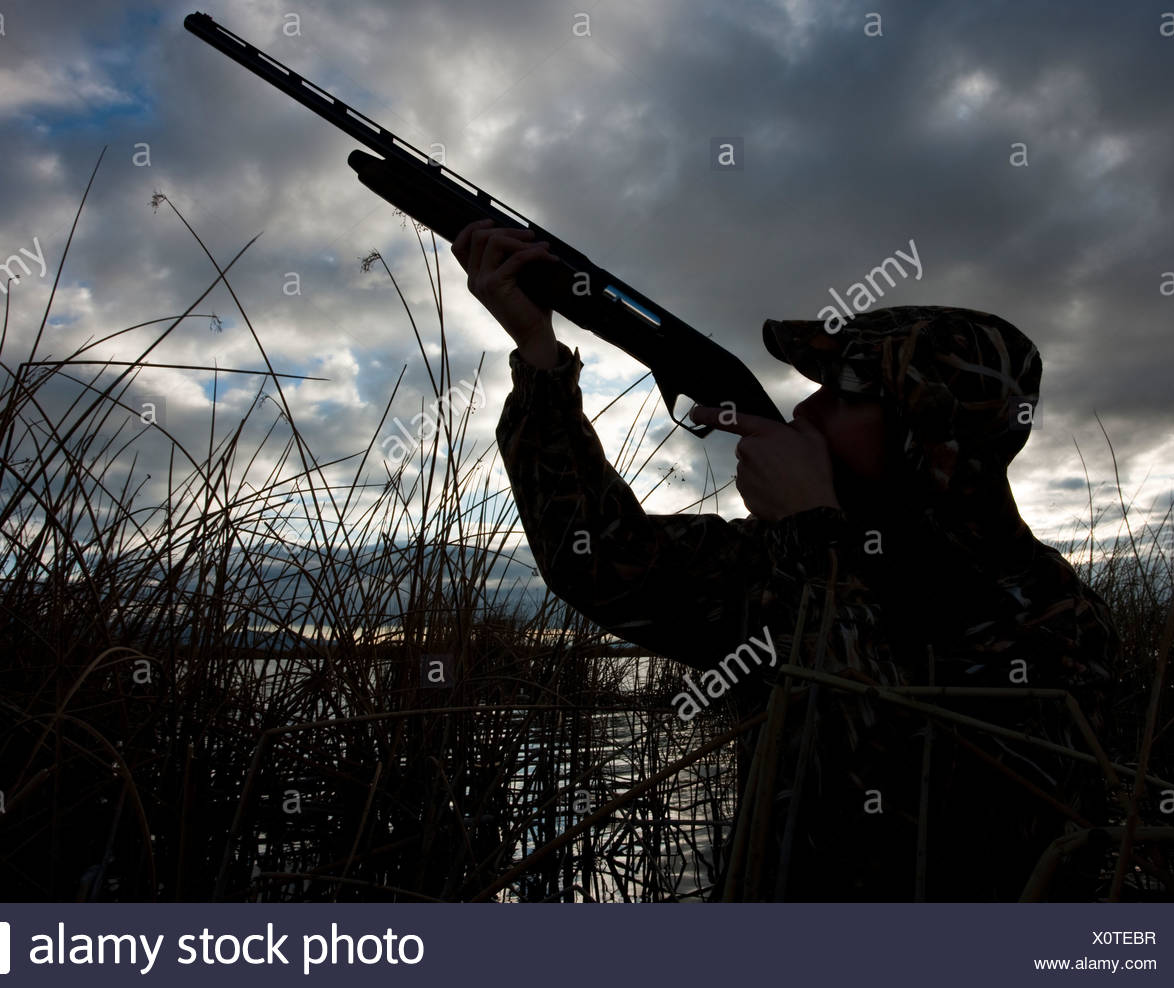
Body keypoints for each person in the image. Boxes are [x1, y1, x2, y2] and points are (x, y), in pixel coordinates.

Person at [451, 219, 1122, 901]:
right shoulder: (782, 563)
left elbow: (879, 816)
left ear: (932, 443)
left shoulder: (1057, 630)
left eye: (848, 392)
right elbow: (597, 560)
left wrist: (813, 530)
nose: (806, 404)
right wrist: (539, 357)